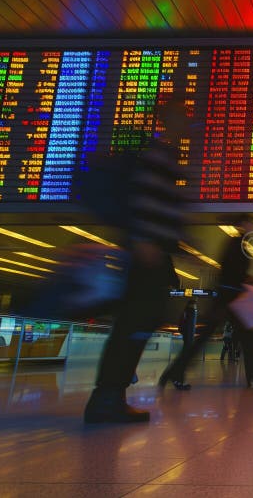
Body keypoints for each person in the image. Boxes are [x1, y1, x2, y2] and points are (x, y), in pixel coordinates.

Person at [83, 97, 191, 424]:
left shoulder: (165, 155)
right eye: (181, 117)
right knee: (135, 321)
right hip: (148, 254)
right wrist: (145, 240)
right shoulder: (158, 156)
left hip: (155, 252)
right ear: (169, 120)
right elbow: (146, 202)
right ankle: (107, 397)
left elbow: (162, 209)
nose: (186, 124)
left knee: (141, 320)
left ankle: (109, 395)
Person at [160, 214, 253, 391]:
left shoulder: (238, 245)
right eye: (251, 224)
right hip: (229, 301)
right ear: (243, 224)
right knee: (245, 340)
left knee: (242, 339)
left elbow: (229, 273)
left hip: (230, 300)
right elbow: (232, 274)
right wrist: (248, 279)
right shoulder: (237, 245)